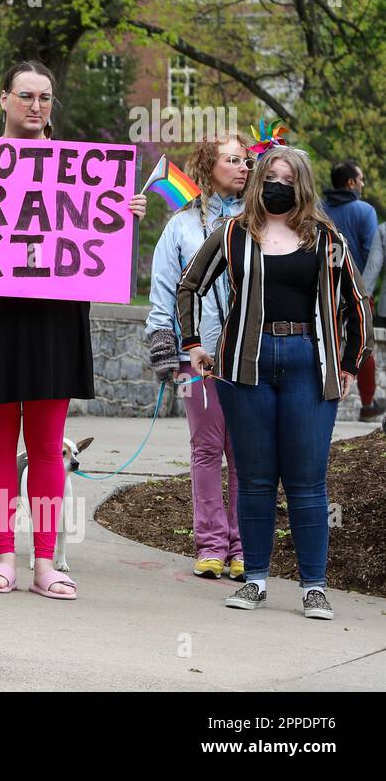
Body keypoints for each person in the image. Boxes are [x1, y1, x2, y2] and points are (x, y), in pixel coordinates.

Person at [0, 60, 146, 599]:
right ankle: (2, 555)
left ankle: (46, 562)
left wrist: (125, 211)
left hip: (54, 318)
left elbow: (103, 242)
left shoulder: (82, 169)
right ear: (3, 99)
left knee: (46, 445)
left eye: (44, 97)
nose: (35, 106)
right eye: (25, 95)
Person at [179, 146, 372, 621]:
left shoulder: (326, 238)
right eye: (269, 177)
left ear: (301, 184)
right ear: (257, 180)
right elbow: (190, 285)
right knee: (256, 479)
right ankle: (256, 581)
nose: (276, 186)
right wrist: (192, 345)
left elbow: (357, 302)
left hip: (310, 362)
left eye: (286, 178)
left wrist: (349, 362)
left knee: (307, 483)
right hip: (246, 365)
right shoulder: (234, 234)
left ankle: (314, 588)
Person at [146, 136, 249, 581]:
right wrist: (166, 347)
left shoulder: (259, 222)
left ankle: (245, 546)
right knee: (206, 450)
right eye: (232, 160)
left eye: (247, 161)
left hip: (249, 357)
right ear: (209, 167)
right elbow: (164, 291)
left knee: (246, 454)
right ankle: (210, 544)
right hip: (197, 356)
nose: (243, 167)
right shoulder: (181, 227)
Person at [321, 161, 382, 419]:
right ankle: (367, 404)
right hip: (355, 288)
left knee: (325, 342)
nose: (363, 184)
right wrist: (366, 290)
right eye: (361, 179)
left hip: (322, 285)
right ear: (350, 183)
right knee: (363, 343)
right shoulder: (364, 210)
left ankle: (323, 397)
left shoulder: (318, 208)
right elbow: (371, 253)